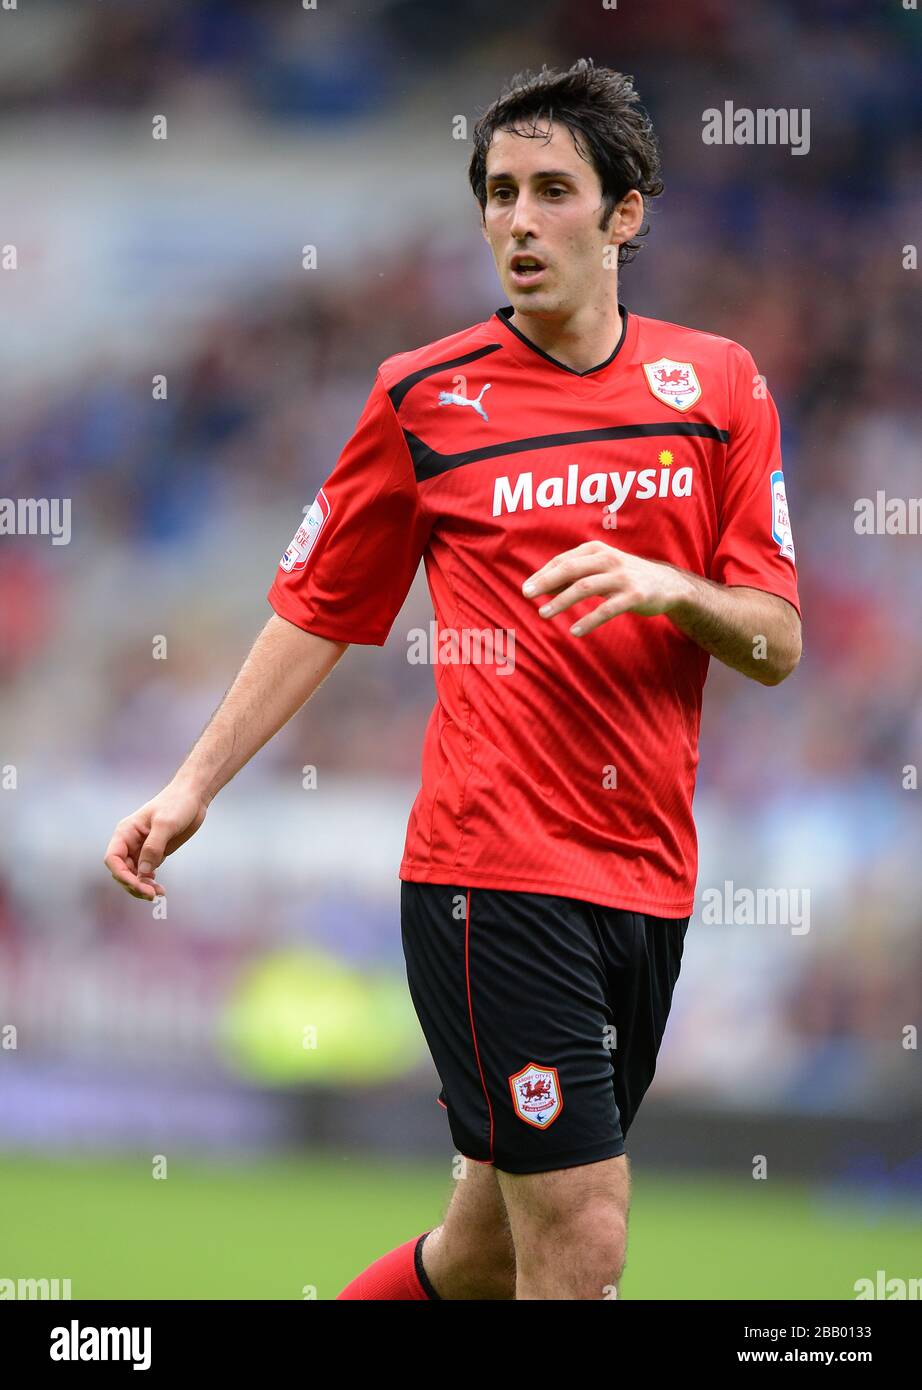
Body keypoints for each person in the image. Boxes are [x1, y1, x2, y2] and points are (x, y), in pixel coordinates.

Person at [104, 59, 801, 1300]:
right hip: (491, 872)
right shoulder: (425, 396)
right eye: (496, 194)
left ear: (624, 212)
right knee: (582, 1234)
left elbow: (774, 641)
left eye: (550, 191)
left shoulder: (720, 388)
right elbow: (317, 606)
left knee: (480, 1246)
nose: (517, 221)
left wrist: (668, 588)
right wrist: (191, 784)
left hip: (646, 877)